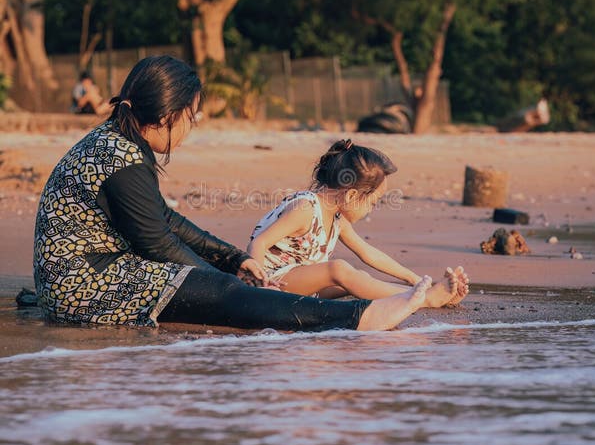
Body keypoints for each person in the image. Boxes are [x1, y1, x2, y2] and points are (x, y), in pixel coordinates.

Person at [35, 55, 437, 333]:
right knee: (228, 295)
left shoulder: (119, 143)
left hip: (92, 273)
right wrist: (223, 279)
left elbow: (166, 221)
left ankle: (347, 311)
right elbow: (155, 241)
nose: (192, 127)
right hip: (82, 288)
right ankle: (356, 318)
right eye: (191, 117)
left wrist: (235, 258)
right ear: (165, 116)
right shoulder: (120, 157)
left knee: (229, 279)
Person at [248, 139, 469, 307]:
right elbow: (258, 243)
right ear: (352, 196)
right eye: (372, 202)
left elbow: (368, 253)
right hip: (272, 284)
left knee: (360, 279)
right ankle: (426, 299)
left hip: (300, 282)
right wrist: (261, 288)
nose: (372, 208)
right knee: (340, 269)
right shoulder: (305, 209)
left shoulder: (336, 217)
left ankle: (421, 292)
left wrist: (415, 279)